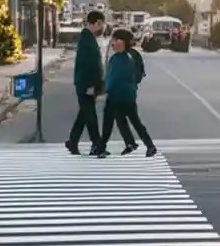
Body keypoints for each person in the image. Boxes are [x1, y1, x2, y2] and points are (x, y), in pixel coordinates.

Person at [100, 28, 158, 158]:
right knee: (133, 121)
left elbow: (111, 79)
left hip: (115, 95)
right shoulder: (131, 56)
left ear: (122, 42)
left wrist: (102, 91)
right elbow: (138, 75)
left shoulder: (117, 59)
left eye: (114, 41)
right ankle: (148, 145)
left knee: (108, 121)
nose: (112, 43)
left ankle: (101, 147)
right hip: (129, 95)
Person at [66, 10, 107, 157]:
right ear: (96, 23)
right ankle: (96, 144)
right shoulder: (86, 40)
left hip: (89, 84)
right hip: (86, 84)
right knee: (90, 116)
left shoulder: (89, 38)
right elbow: (87, 65)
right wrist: (91, 85)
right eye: (101, 24)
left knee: (85, 114)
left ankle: (73, 142)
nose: (102, 27)